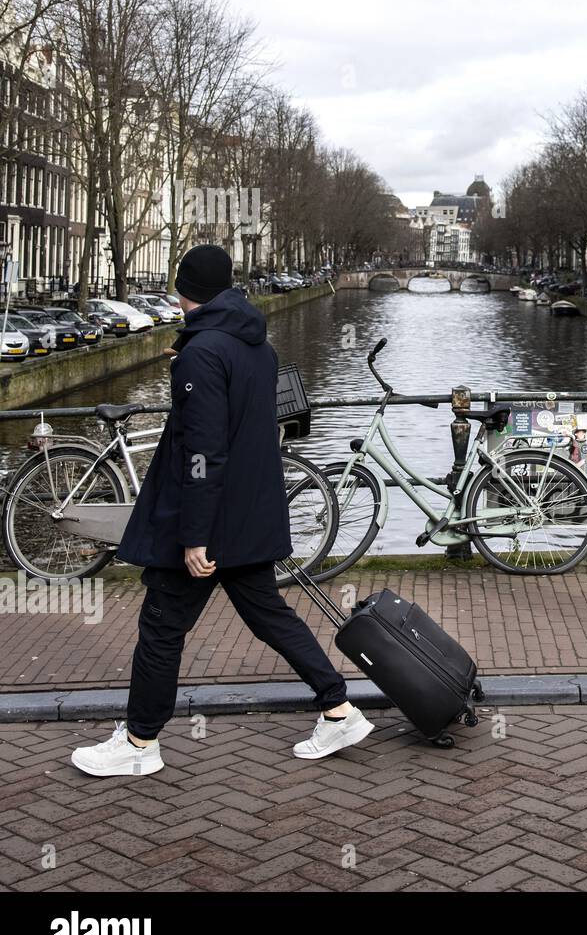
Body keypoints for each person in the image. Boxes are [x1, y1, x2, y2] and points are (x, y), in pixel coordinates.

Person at [71, 245, 373, 778]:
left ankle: (140, 742)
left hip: (210, 525)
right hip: (250, 514)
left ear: (185, 290)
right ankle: (338, 709)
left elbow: (202, 452)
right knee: (271, 618)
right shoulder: (257, 345)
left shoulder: (203, 351)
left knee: (162, 627)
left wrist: (193, 537)